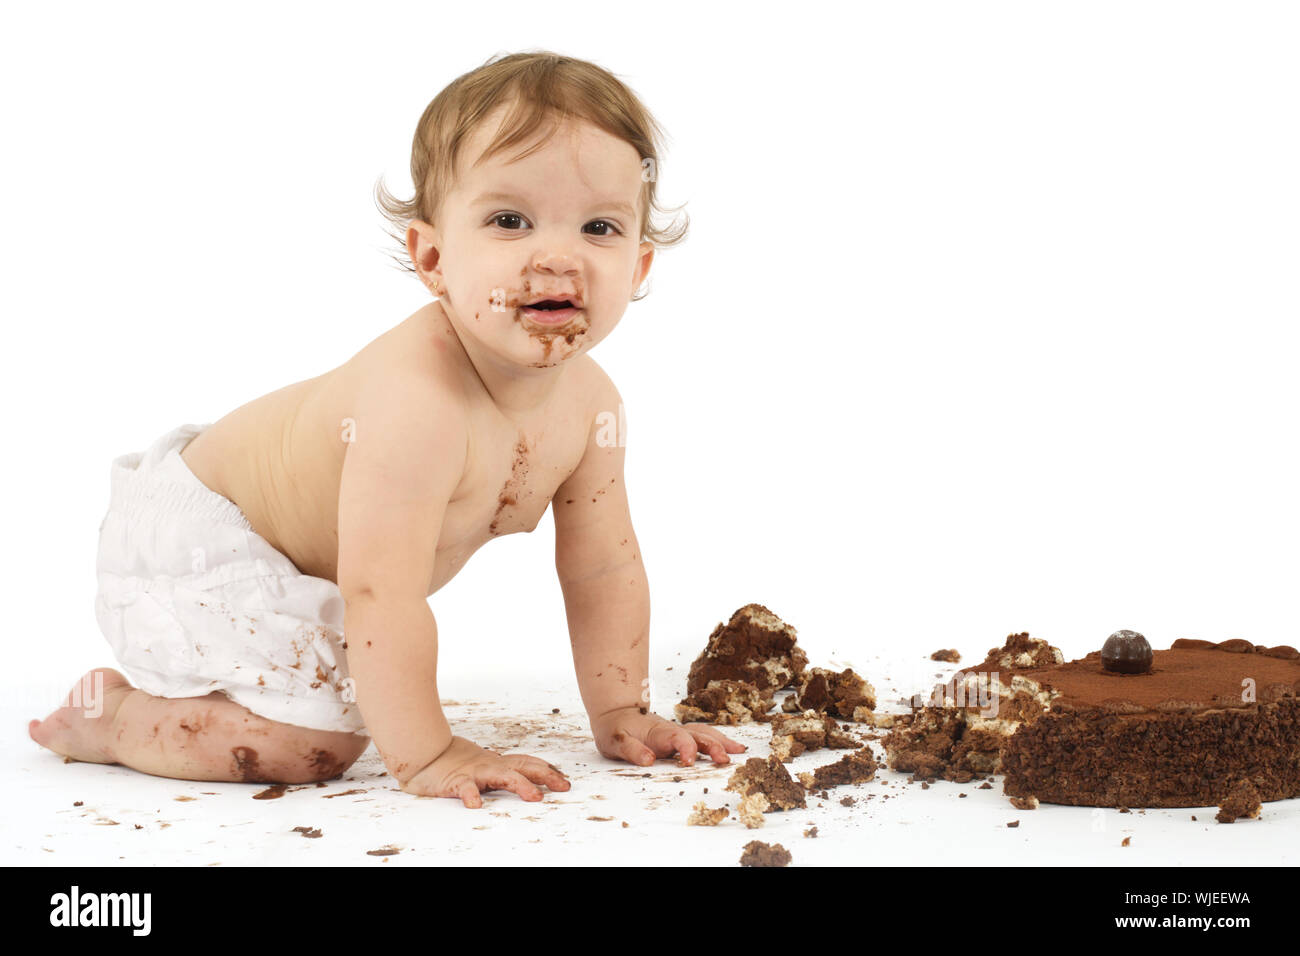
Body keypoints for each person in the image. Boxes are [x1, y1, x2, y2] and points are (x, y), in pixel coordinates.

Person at [30, 51, 745, 809]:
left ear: (637, 267)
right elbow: (379, 592)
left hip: (310, 567)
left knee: (337, 710)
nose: (557, 256)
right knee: (313, 749)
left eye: (598, 226)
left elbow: (604, 568)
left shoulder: (594, 407)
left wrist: (622, 711)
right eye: (510, 220)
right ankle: (113, 719)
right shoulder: (417, 405)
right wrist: (428, 754)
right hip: (209, 540)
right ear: (433, 257)